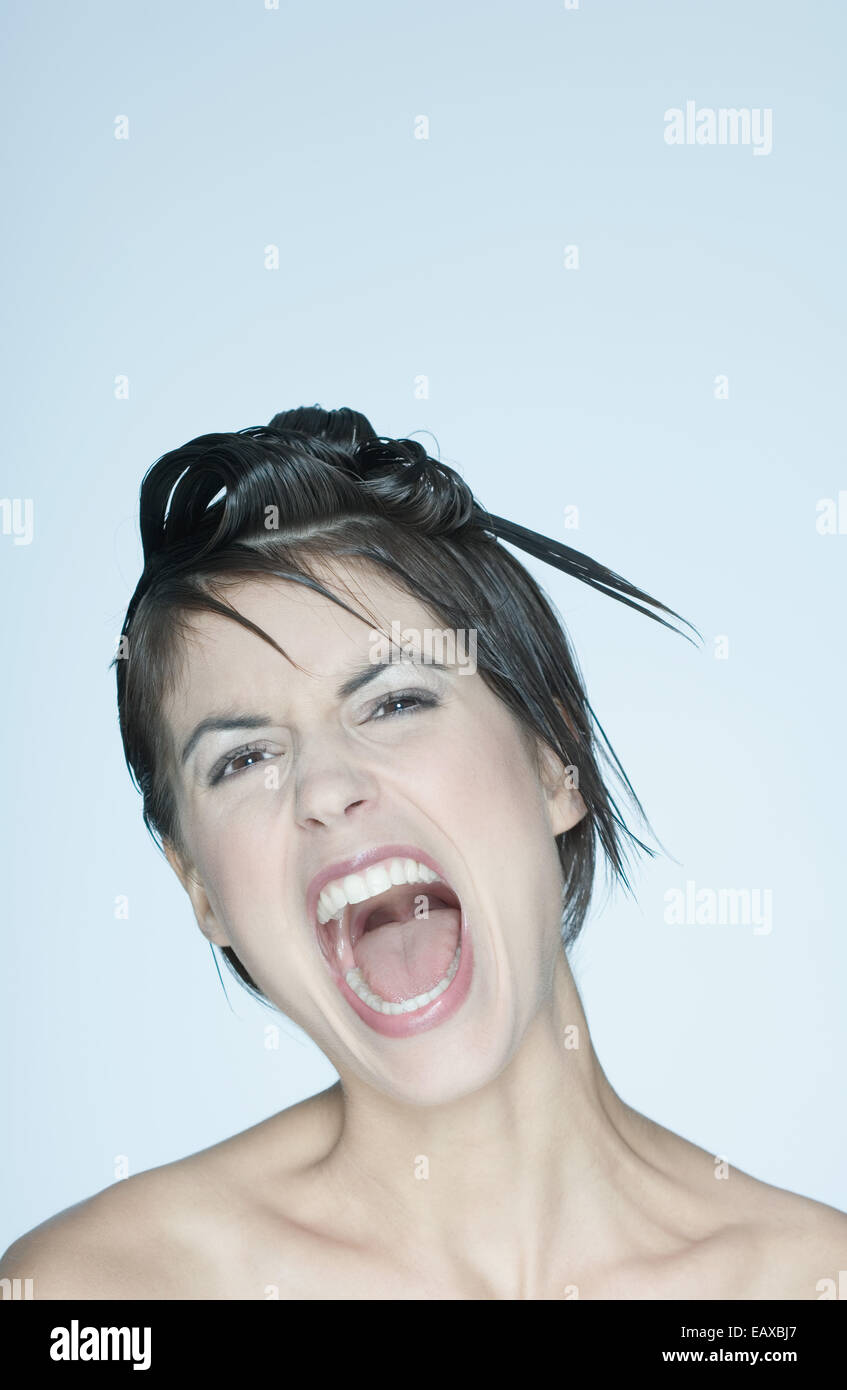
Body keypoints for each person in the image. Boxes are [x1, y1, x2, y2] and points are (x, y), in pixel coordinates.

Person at [2, 405, 845, 1300]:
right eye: (244, 759)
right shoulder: (94, 1296)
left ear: (554, 761)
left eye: (395, 702)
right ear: (200, 891)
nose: (325, 788)